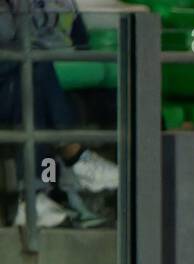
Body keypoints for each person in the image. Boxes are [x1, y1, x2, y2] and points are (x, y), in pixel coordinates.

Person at [0, 0, 118, 227]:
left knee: (35, 91)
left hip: (18, 87)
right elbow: (9, 38)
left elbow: (79, 41)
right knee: (34, 67)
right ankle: (74, 158)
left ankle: (42, 194)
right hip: (12, 78)